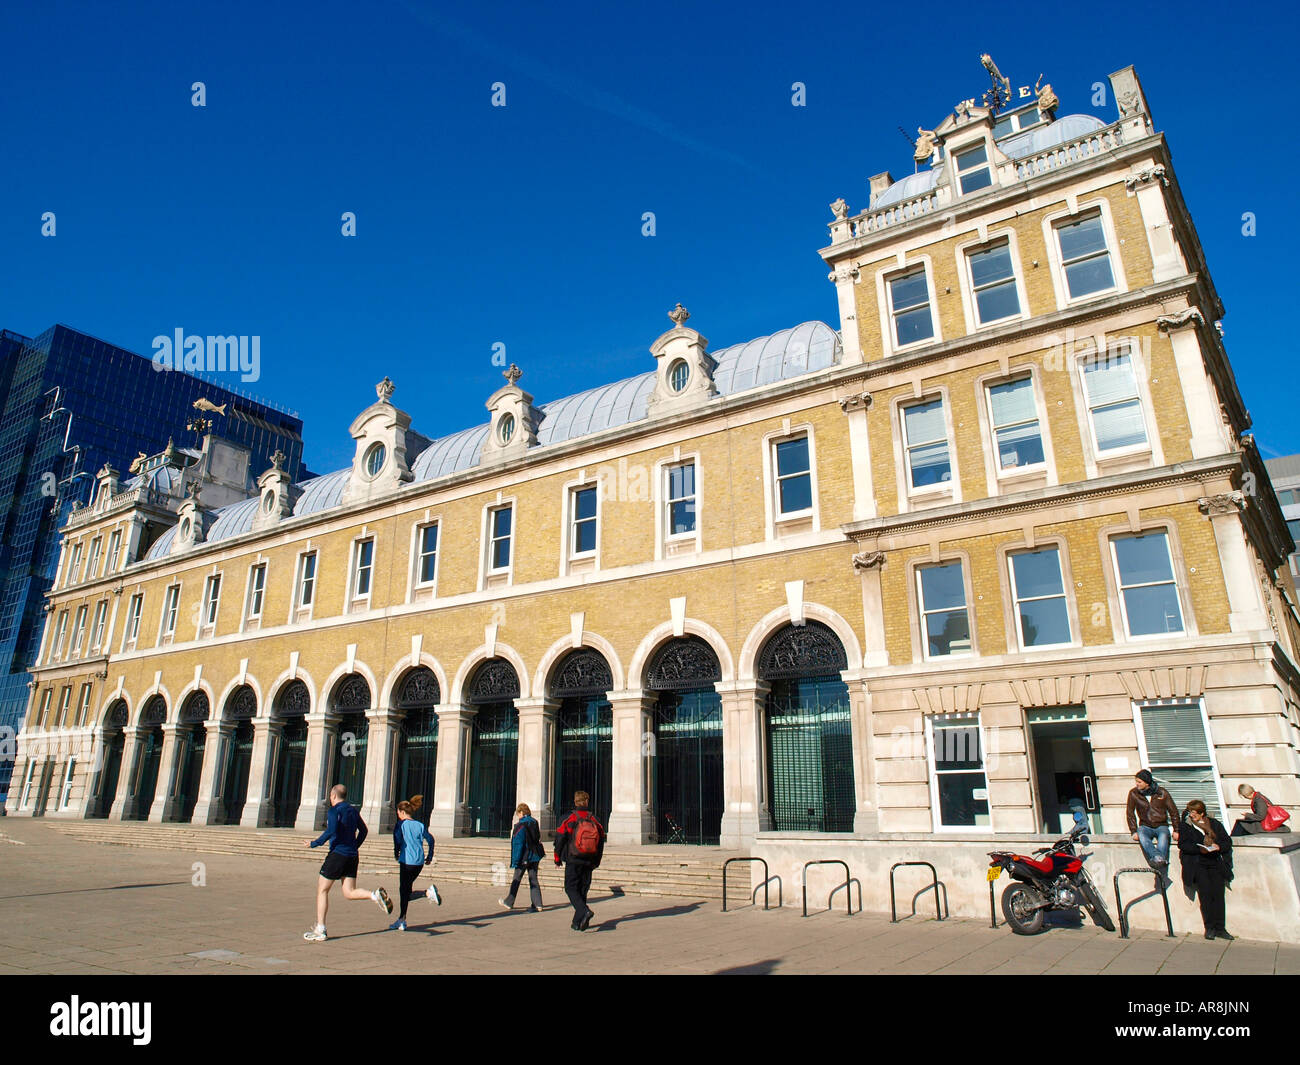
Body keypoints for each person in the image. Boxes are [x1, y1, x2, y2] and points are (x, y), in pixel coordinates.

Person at [303, 784, 392, 941]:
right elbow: (363, 831)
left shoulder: (334, 810)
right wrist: (354, 845)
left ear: (334, 796)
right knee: (349, 892)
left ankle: (321, 929)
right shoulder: (352, 810)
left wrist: (314, 843)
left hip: (338, 855)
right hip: (352, 856)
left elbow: (331, 830)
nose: (330, 799)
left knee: (322, 890)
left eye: (331, 796)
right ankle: (374, 895)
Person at [1178, 799, 1235, 941]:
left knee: (1218, 895)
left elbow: (1227, 841)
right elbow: (1183, 845)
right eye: (1190, 812)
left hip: (1215, 863)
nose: (1191, 815)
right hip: (1199, 864)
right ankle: (1209, 928)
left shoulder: (1214, 824)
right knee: (1205, 896)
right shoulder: (1186, 826)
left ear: (1202, 813)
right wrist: (1199, 849)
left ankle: (1221, 928)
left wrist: (1218, 847)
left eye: (1194, 813)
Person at [553, 790, 605, 932]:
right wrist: (597, 860)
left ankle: (584, 911)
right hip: (589, 860)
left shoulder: (569, 818)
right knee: (582, 890)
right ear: (587, 801)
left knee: (570, 888)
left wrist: (557, 857)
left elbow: (560, 838)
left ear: (575, 802)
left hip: (574, 858)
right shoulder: (595, 819)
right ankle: (578, 922)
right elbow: (601, 842)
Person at [390, 794, 441, 931]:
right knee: (406, 890)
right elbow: (430, 839)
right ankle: (402, 919)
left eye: (398, 812)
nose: (398, 815)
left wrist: (396, 852)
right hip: (419, 862)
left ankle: (427, 893)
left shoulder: (401, 825)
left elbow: (397, 839)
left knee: (404, 891)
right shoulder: (419, 825)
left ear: (401, 812)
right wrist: (430, 856)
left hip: (407, 861)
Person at [1125, 770, 1180, 869]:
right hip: (1145, 825)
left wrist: (1176, 830)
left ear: (1147, 783)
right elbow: (1130, 813)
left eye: (1139, 782)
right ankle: (1159, 858)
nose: (1136, 784)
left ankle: (1157, 859)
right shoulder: (1133, 793)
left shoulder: (1162, 793)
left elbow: (1174, 812)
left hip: (1161, 825)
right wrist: (1133, 831)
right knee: (1142, 834)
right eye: (1136, 781)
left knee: (1163, 837)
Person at [499, 802, 544, 913]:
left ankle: (509, 901)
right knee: (533, 879)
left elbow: (518, 844)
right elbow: (537, 837)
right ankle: (538, 904)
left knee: (516, 879)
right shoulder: (534, 822)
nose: (517, 816)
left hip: (524, 856)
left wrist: (515, 860)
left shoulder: (520, 826)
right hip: (534, 855)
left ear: (521, 812)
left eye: (518, 813)